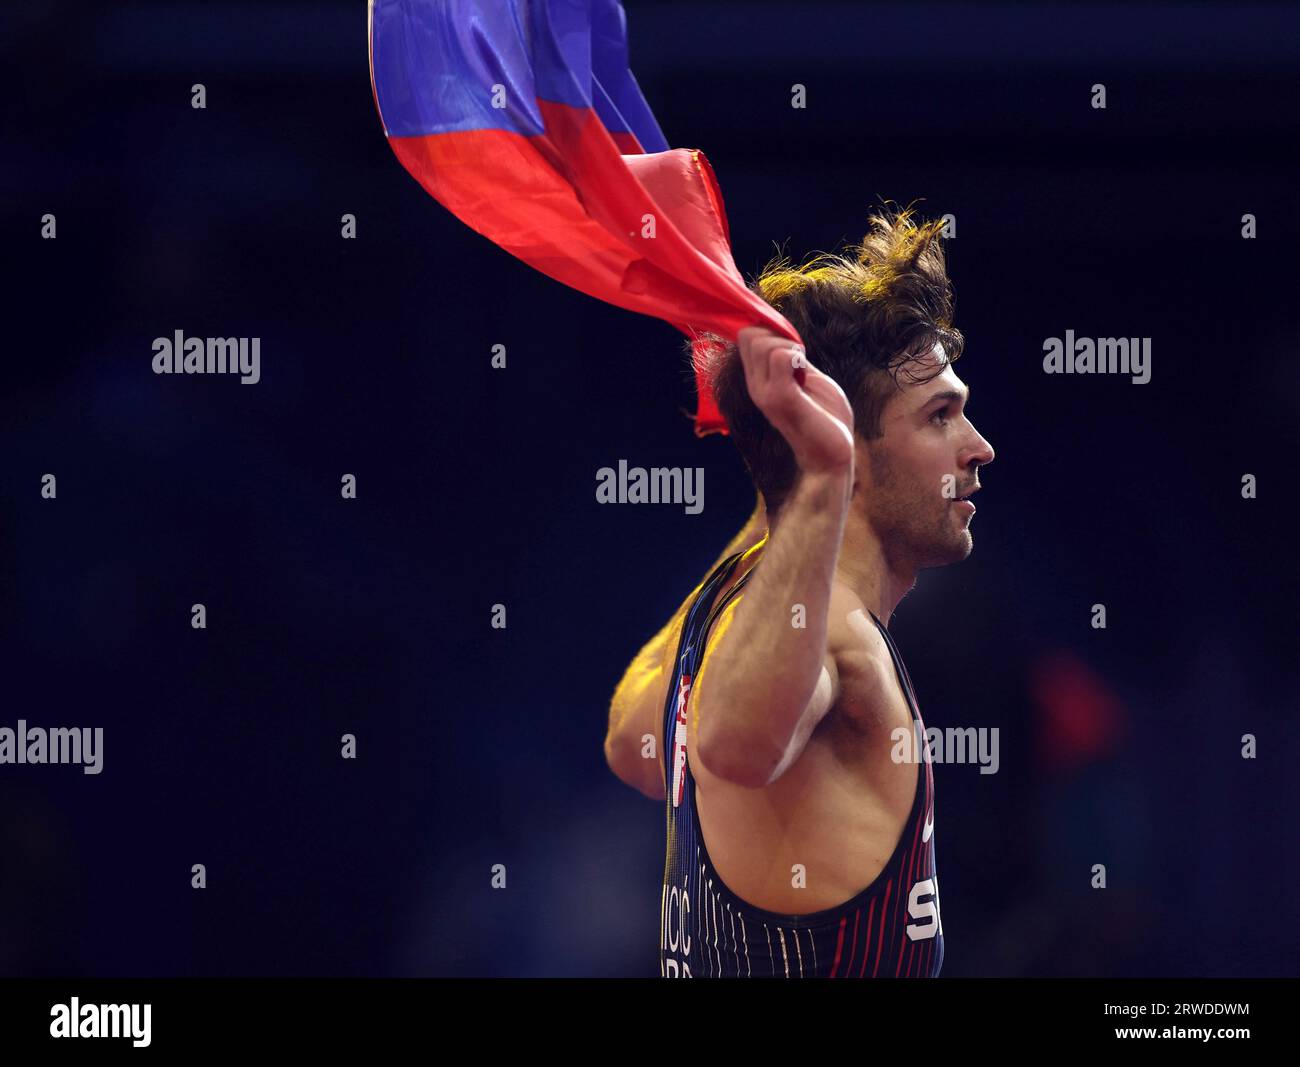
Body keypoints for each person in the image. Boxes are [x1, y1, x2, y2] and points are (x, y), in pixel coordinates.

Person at [605, 207, 995, 977]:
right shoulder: (831, 638)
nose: (978, 447)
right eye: (940, 416)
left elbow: (636, 746)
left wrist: (779, 496)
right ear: (847, 448)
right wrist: (813, 483)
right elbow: (730, 745)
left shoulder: (738, 602)